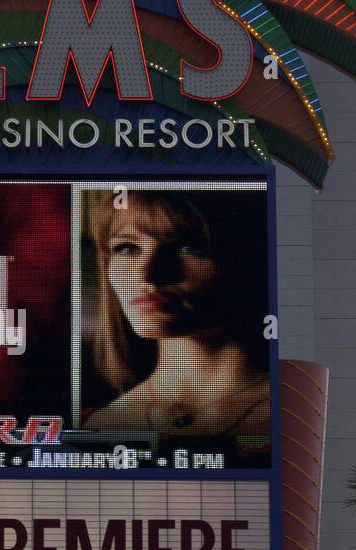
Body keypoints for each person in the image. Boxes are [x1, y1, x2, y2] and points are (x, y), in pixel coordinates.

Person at [83, 187, 270, 439]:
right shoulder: (105, 425)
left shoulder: (291, 413)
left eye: (187, 246)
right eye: (126, 248)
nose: (145, 273)